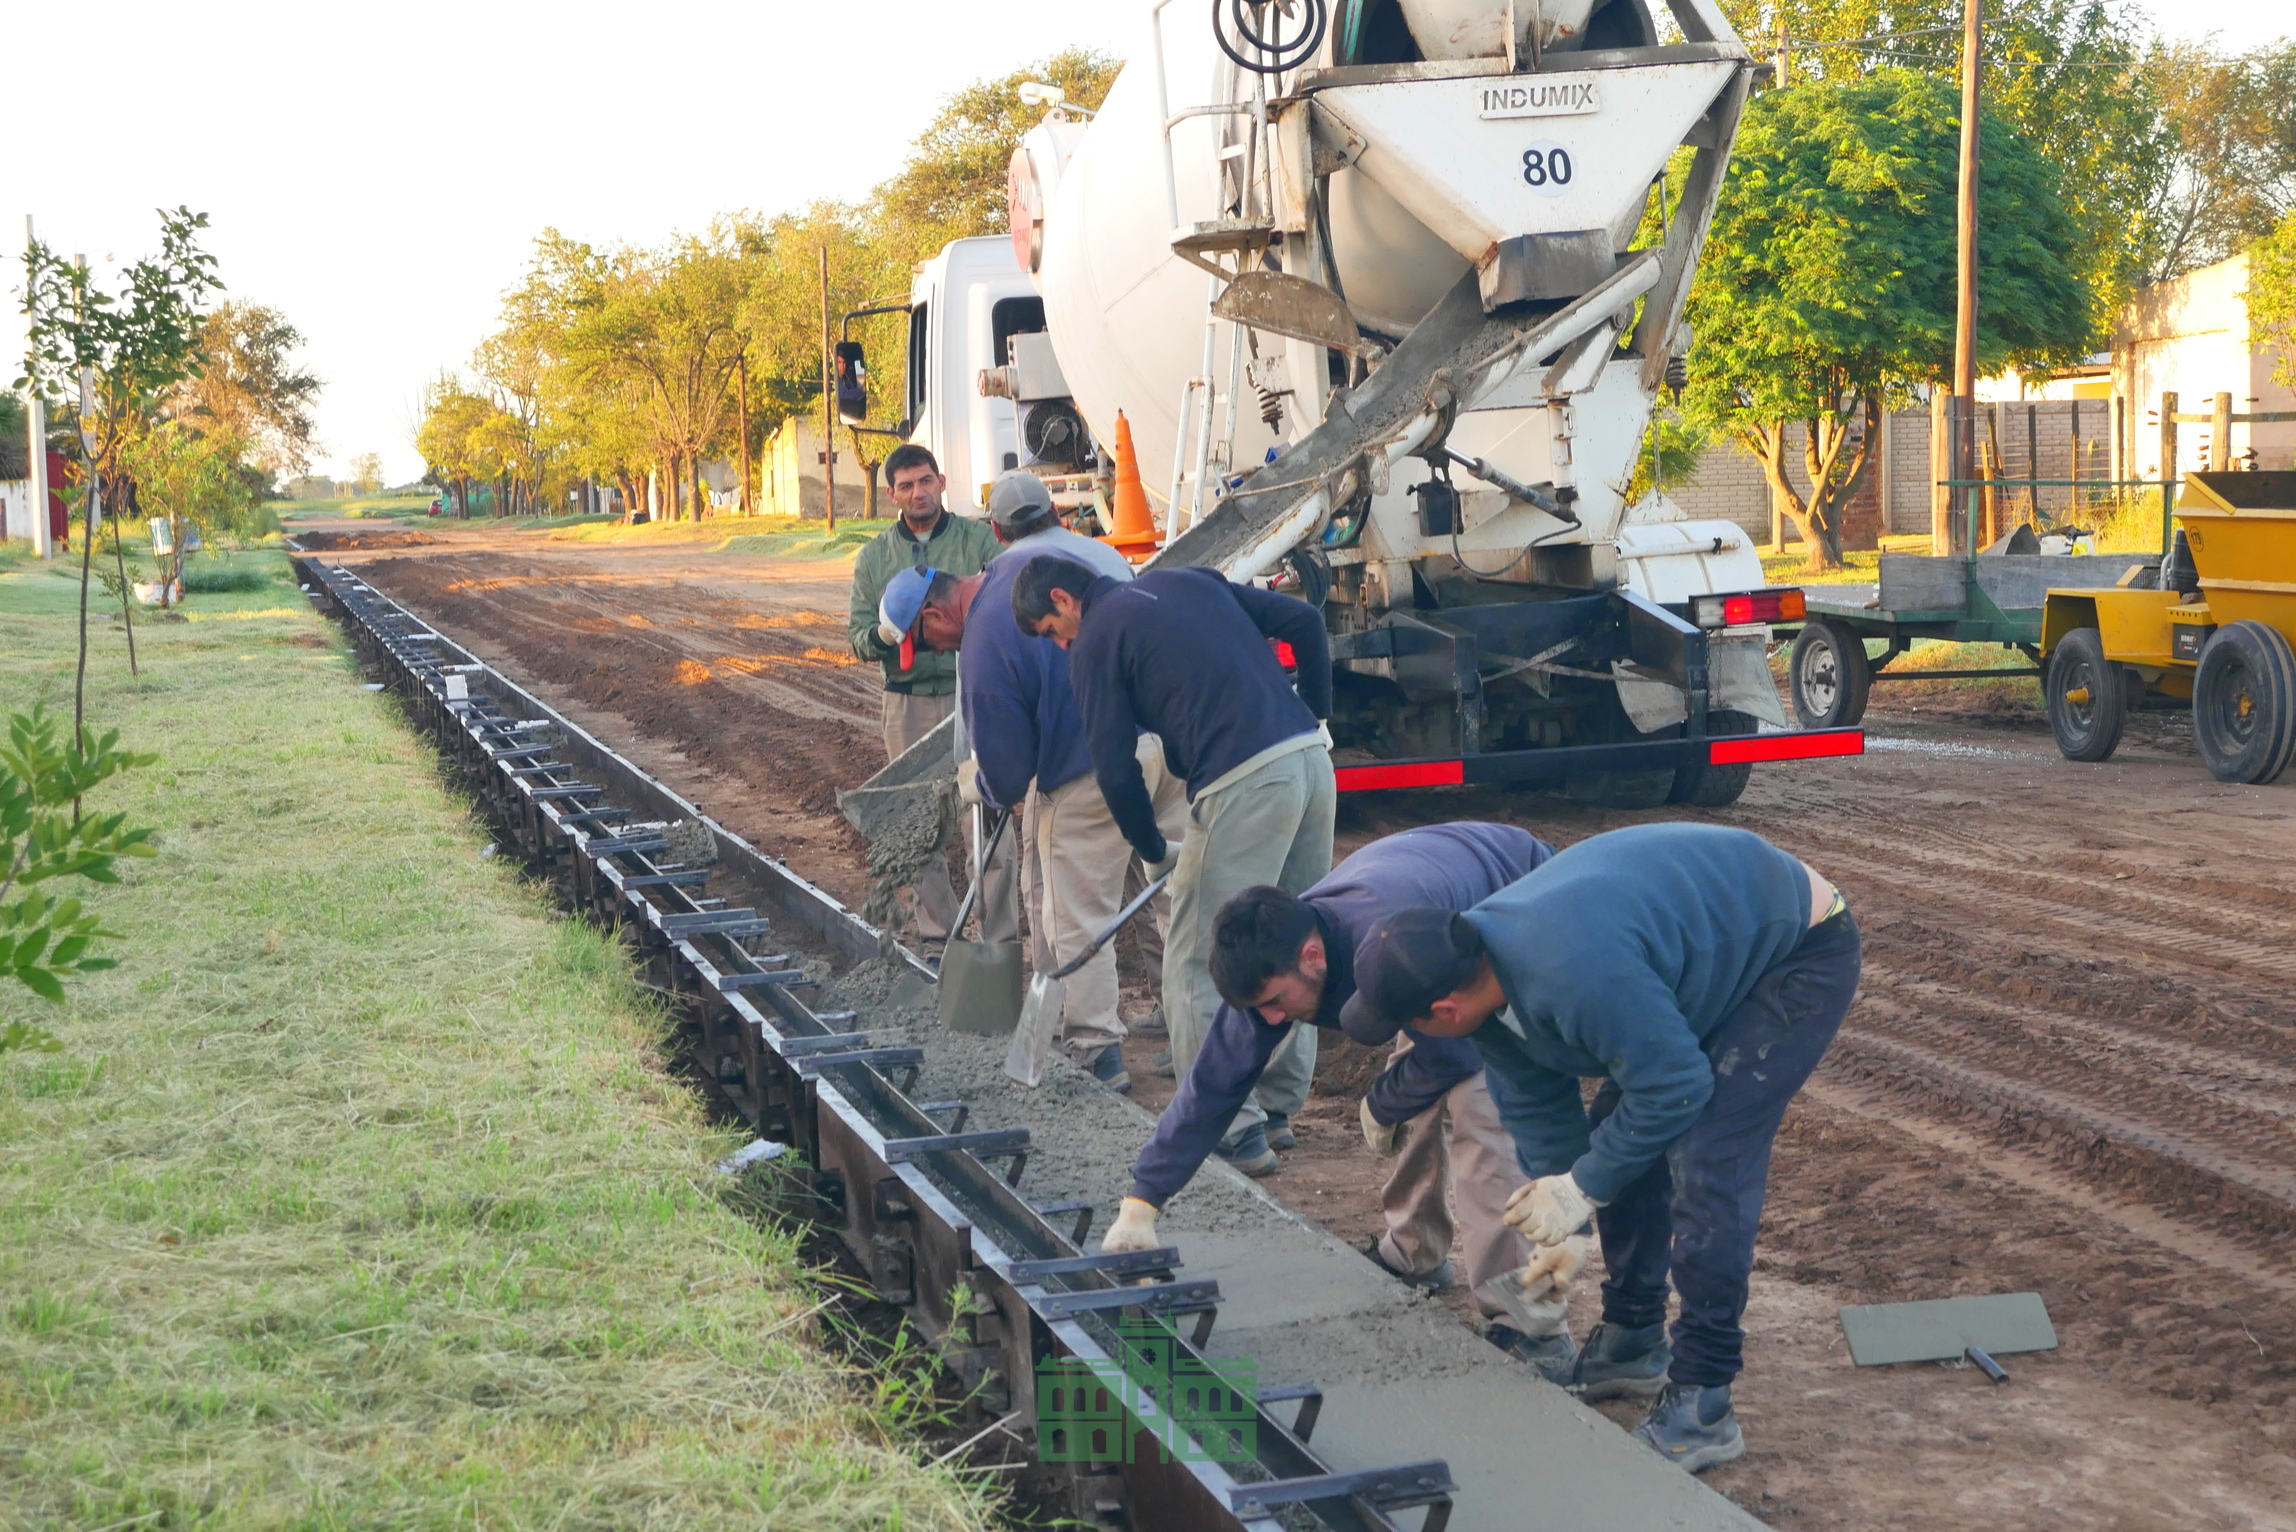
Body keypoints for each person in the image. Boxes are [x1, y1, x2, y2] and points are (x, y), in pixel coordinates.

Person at [1338, 823, 1860, 1472]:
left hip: (1795, 948)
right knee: (1617, 1128)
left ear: (1444, 1011)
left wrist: (1582, 1190)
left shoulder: (1568, 971)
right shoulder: (1485, 976)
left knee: (1707, 1155)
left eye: (1407, 1025)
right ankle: (1635, 1338)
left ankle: (1704, 1400)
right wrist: (1564, 1229)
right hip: (1690, 955)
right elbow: (1540, 1110)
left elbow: (1675, 1088)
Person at [1102, 824, 1586, 1372]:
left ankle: (1531, 1326)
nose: (1272, 1021)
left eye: (1277, 1003)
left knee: (1485, 1113)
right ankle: (1415, 1253)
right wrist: (1142, 1201)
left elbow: (1458, 1055)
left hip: (1517, 892)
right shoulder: (1276, 964)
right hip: (1428, 933)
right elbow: (1214, 1084)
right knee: (1415, 1084)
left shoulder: (1371, 939)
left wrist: (1382, 1104)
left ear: (1312, 956)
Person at [1012, 553, 1335, 1165]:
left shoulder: (1095, 641)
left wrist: (1153, 848)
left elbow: (1113, 764)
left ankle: (1228, 1127)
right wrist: (1317, 715)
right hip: (1312, 762)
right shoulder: (1190, 578)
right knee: (1292, 937)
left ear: (1063, 599)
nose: (1059, 647)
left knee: (1196, 954)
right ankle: (1275, 1104)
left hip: (1242, 779)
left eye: (1053, 633)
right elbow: (1305, 623)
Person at [874, 472, 1186, 1089]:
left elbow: (1012, 774)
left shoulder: (985, 637)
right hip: (1164, 748)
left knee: (1071, 914)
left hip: (1089, 770)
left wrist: (979, 785)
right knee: (1177, 897)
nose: (937, 652)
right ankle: (1194, 1030)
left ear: (937, 613)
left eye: (926, 642)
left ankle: (1095, 1047)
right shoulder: (1015, 582)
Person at [845, 443, 1003, 937]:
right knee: (917, 824)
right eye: (908, 485)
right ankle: (940, 935)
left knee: (988, 820)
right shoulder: (874, 558)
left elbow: (1003, 599)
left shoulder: (978, 541)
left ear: (941, 482)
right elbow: (857, 637)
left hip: (972, 696)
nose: (919, 492)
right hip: (906, 704)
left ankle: (1000, 936)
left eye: (927, 481)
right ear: (891, 493)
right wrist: (884, 637)